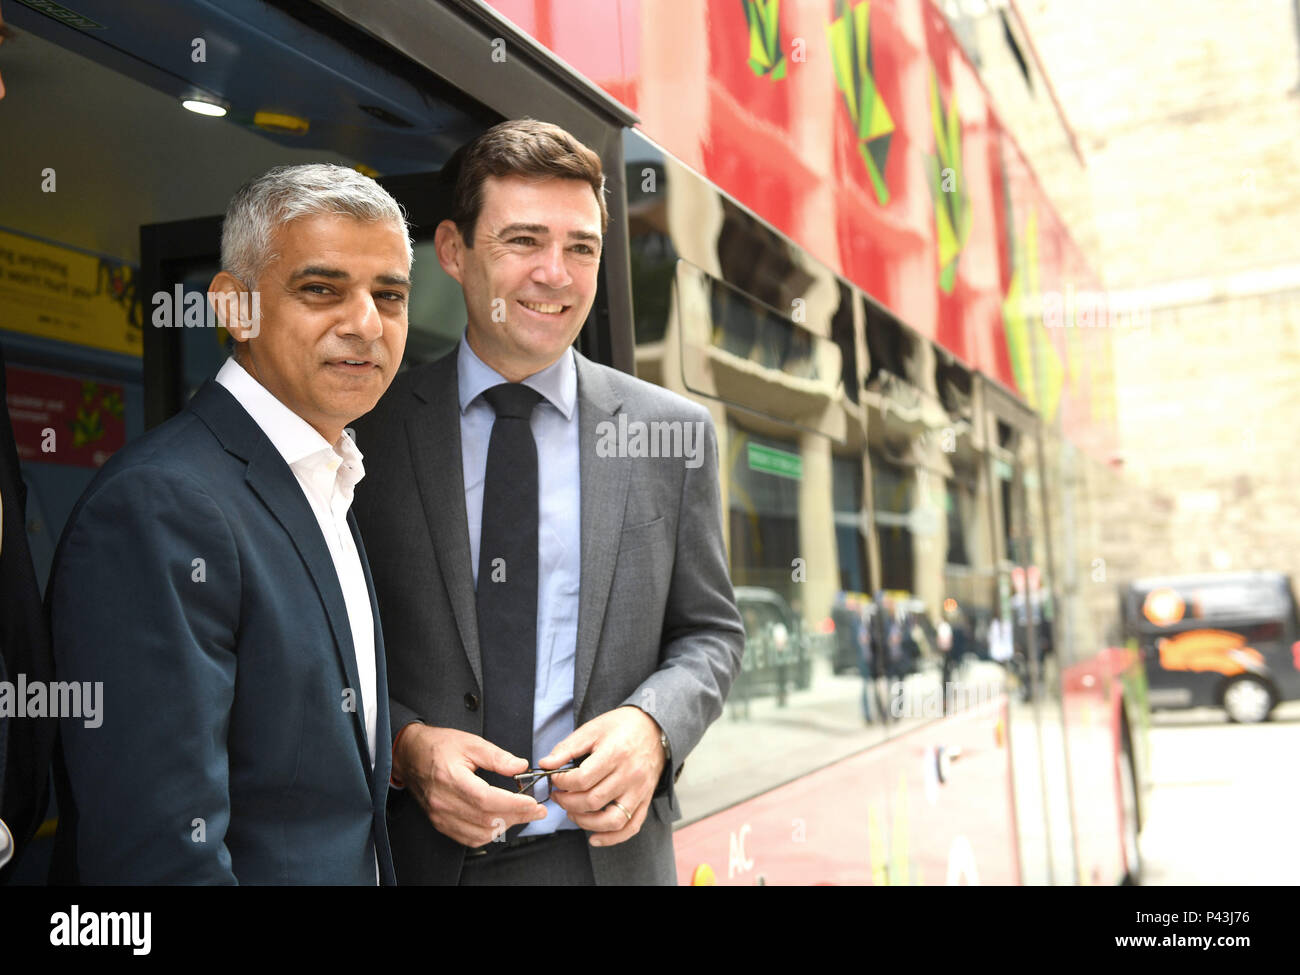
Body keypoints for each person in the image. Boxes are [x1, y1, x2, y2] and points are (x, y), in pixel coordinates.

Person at [351, 118, 745, 885]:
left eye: (581, 247)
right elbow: (320, 645)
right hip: (421, 862)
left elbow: (711, 633)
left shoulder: (673, 435)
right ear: (456, 252)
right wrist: (404, 747)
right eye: (524, 241)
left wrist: (653, 725)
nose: (556, 274)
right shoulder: (366, 430)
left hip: (606, 863)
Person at [48, 163, 410, 883]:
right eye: (321, 289)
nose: (366, 321)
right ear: (235, 307)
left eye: (389, 295)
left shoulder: (326, 477)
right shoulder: (162, 503)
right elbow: (158, 858)